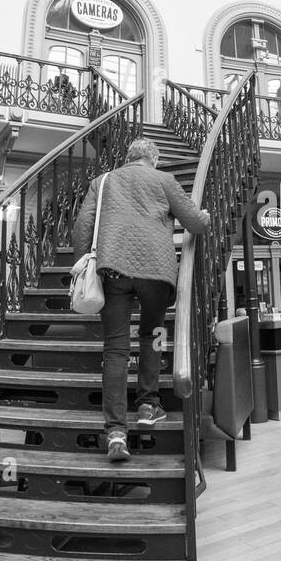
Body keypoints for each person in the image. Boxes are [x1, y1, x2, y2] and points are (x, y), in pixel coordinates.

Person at [72, 138, 210, 462]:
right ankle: (148, 405)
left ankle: (116, 432)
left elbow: (82, 226)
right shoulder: (164, 180)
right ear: (155, 159)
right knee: (154, 335)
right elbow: (193, 222)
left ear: (129, 157)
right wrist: (204, 217)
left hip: (113, 270)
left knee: (116, 348)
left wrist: (82, 263)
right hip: (156, 274)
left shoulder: (103, 181)